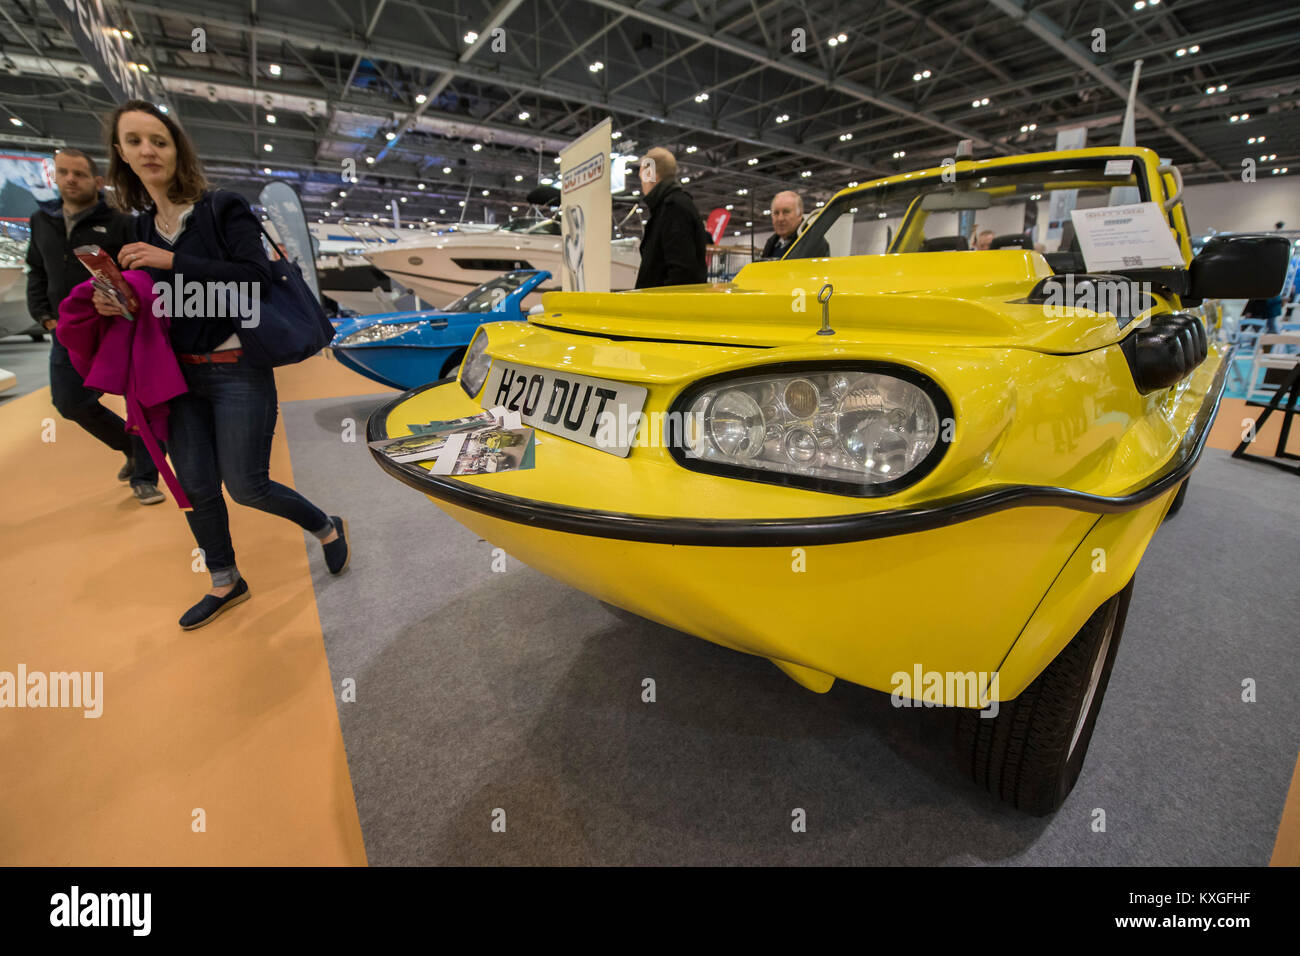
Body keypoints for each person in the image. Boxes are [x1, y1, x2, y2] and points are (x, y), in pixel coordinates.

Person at [96, 99, 349, 630]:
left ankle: (326, 524)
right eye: (135, 141)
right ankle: (224, 579)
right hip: (176, 375)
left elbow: (254, 277)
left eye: (159, 140)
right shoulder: (134, 225)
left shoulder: (221, 207)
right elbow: (152, 303)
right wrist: (117, 302)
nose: (148, 150)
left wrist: (173, 260)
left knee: (247, 484)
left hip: (237, 368)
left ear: (176, 149)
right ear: (120, 152)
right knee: (195, 486)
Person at [26, 148, 165, 504]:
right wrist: (45, 316)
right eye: (64, 172)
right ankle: (130, 448)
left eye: (80, 174)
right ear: (54, 176)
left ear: (97, 181)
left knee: (142, 400)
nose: (71, 179)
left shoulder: (121, 222)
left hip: (119, 329)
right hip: (68, 331)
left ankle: (146, 476)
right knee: (70, 402)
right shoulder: (41, 221)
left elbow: (140, 272)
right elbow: (37, 272)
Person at [634, 147, 708, 288]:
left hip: (664, 307)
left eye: (642, 178)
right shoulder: (668, 207)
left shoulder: (673, 209)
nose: (642, 185)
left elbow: (683, 273)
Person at [760, 190, 829, 259]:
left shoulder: (814, 244)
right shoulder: (771, 244)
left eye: (786, 212)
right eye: (776, 213)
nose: (780, 219)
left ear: (799, 214)